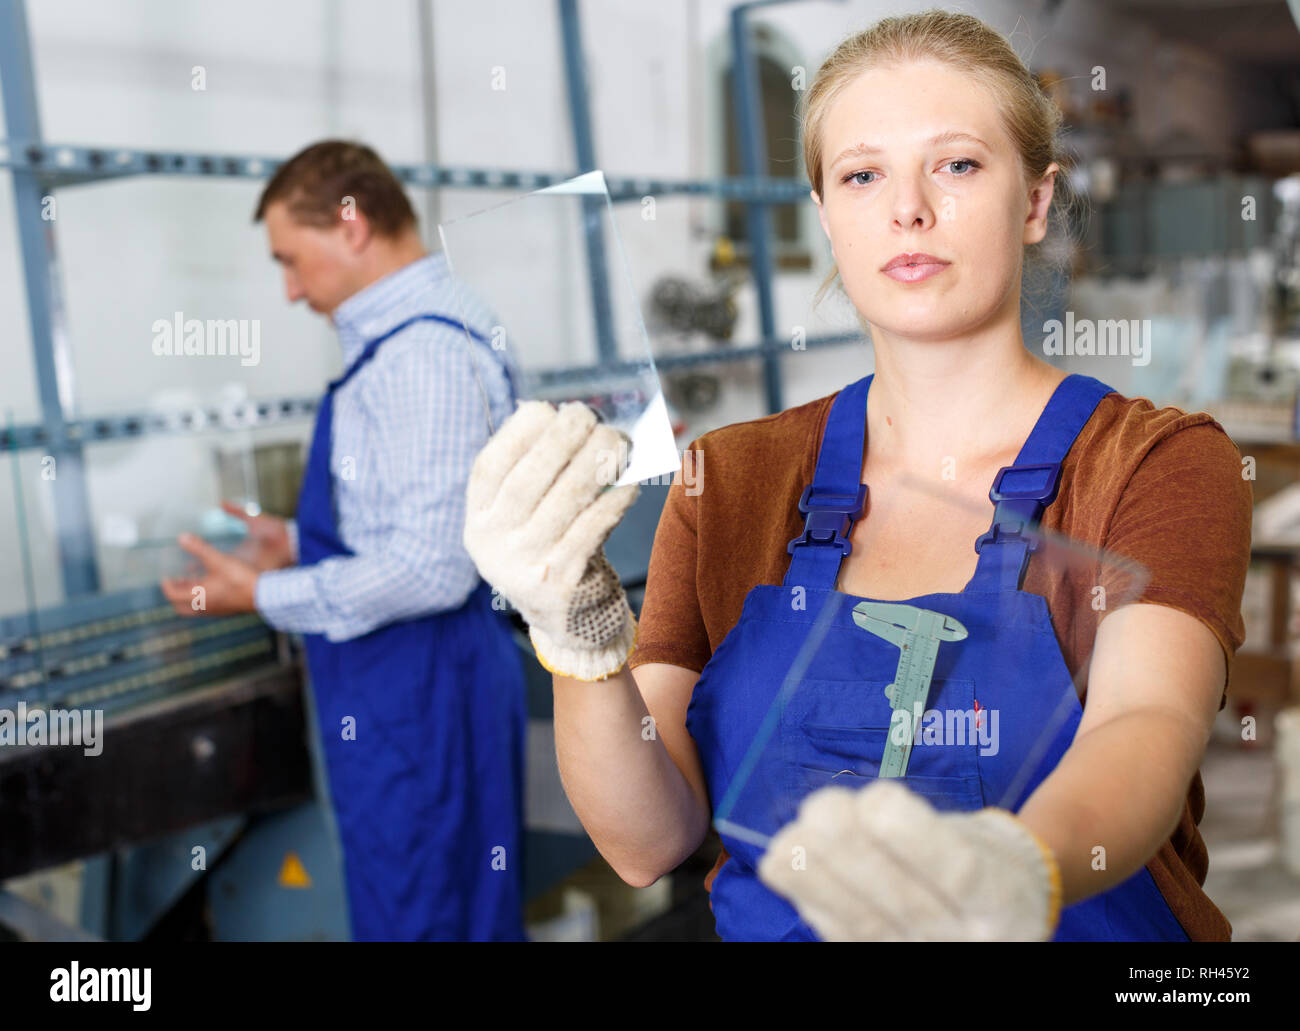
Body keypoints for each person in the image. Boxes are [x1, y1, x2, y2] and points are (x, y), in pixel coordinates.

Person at [461, 10, 1251, 942]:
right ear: (828, 213)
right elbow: (648, 841)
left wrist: (1015, 870)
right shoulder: (731, 478)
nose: (906, 208)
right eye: (862, 174)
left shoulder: (1152, 462)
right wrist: (579, 640)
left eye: (956, 165)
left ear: (1035, 203)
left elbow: (1146, 724)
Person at [161, 140, 528, 942]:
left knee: (424, 913)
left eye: (291, 260)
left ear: (352, 225)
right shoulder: (435, 326)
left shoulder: (419, 354)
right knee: (452, 907)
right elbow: (420, 514)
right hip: (422, 682)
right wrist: (296, 539)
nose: (291, 289)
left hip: (419, 689)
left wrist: (259, 594)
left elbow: (431, 569)